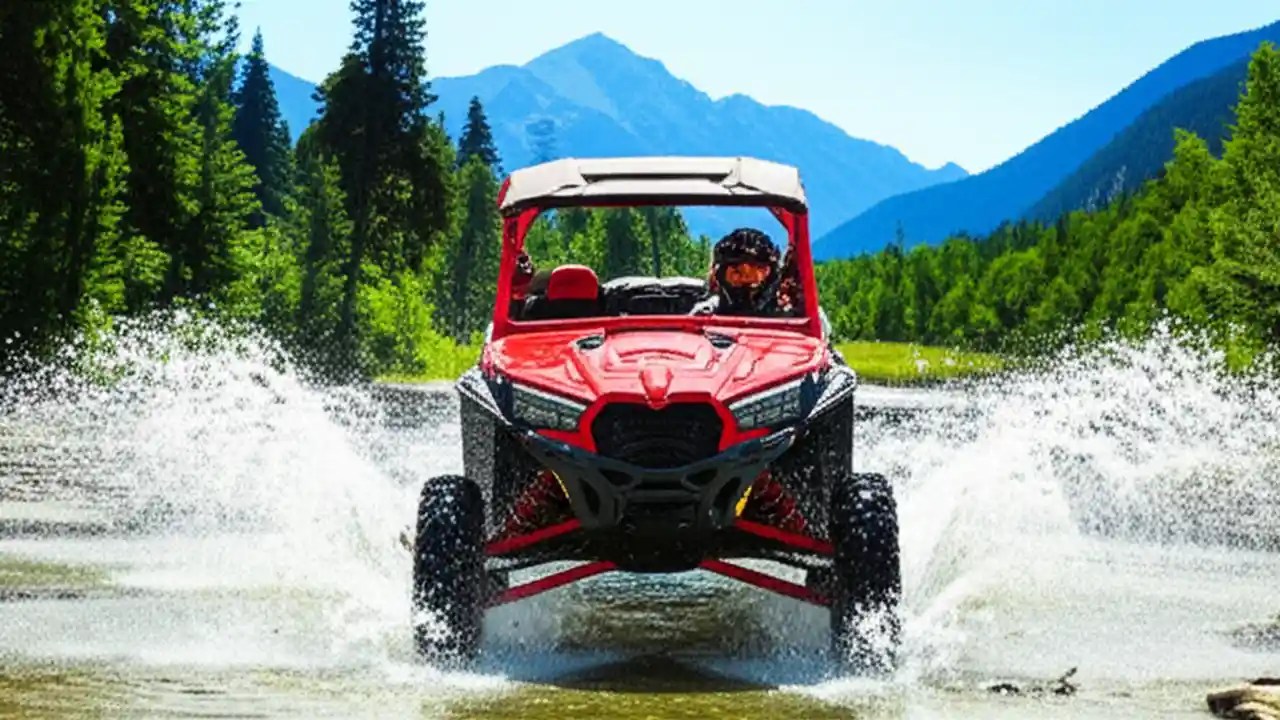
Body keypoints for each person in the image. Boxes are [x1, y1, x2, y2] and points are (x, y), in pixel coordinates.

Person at [692, 227, 783, 316]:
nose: (745, 278)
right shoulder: (704, 316)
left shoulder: (787, 318)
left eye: (758, 267)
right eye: (737, 271)